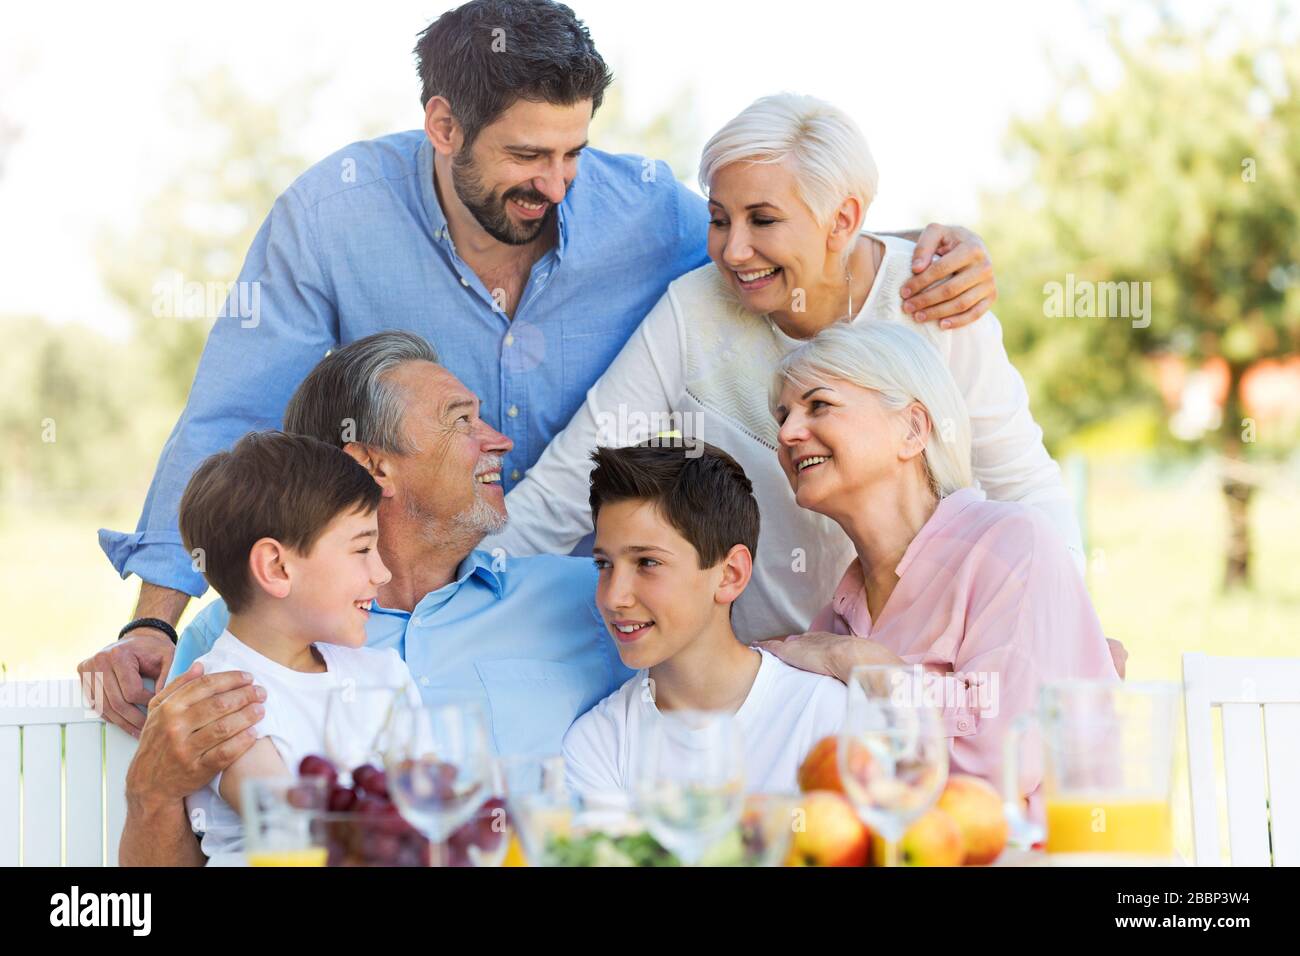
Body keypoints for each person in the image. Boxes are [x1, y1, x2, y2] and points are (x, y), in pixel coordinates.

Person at [84, 0, 1000, 736]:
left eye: (573, 150)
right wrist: (155, 618)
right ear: (443, 125)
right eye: (526, 154)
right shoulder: (335, 217)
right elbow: (229, 419)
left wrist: (919, 247)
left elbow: (781, 236)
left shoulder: (643, 212)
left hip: (589, 616)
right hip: (404, 604)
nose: (557, 184)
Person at [484, 92, 1079, 641]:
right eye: (719, 219)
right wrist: (447, 608)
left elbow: (1022, 484)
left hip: (935, 657)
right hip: (772, 679)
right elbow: (566, 486)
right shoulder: (692, 312)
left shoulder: (934, 297)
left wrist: (1075, 630)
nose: (733, 251)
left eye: (762, 220)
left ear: (842, 220)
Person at [117, 331, 630, 866]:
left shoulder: (589, 597)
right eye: (462, 421)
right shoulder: (231, 639)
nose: (499, 441)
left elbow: (708, 693)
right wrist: (149, 793)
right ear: (372, 466)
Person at [758, 321, 1118, 811]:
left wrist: (868, 667)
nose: (787, 433)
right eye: (782, 416)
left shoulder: (1011, 544)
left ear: (912, 429)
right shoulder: (837, 618)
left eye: (818, 405)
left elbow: (995, 769)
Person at [174, 430, 417, 858]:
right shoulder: (222, 701)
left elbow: (433, 809)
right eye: (362, 549)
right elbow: (297, 832)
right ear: (276, 567)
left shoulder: (384, 674)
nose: (382, 573)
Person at [562, 441, 845, 797]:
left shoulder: (824, 713)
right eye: (604, 564)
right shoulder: (599, 743)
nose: (613, 597)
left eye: (647, 563)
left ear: (729, 575)